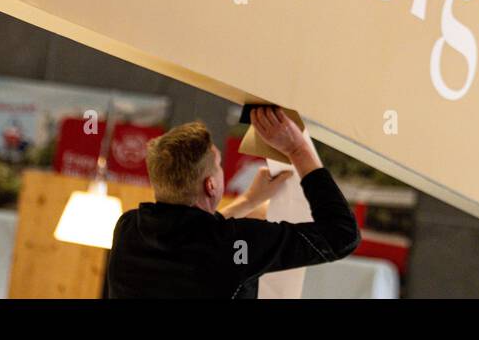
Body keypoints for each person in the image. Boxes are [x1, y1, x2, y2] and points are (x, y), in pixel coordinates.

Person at [105, 106, 360, 298]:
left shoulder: (129, 229)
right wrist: (297, 150)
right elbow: (342, 236)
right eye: (217, 165)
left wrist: (247, 201)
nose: (220, 169)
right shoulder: (236, 242)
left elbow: (192, 240)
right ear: (211, 185)